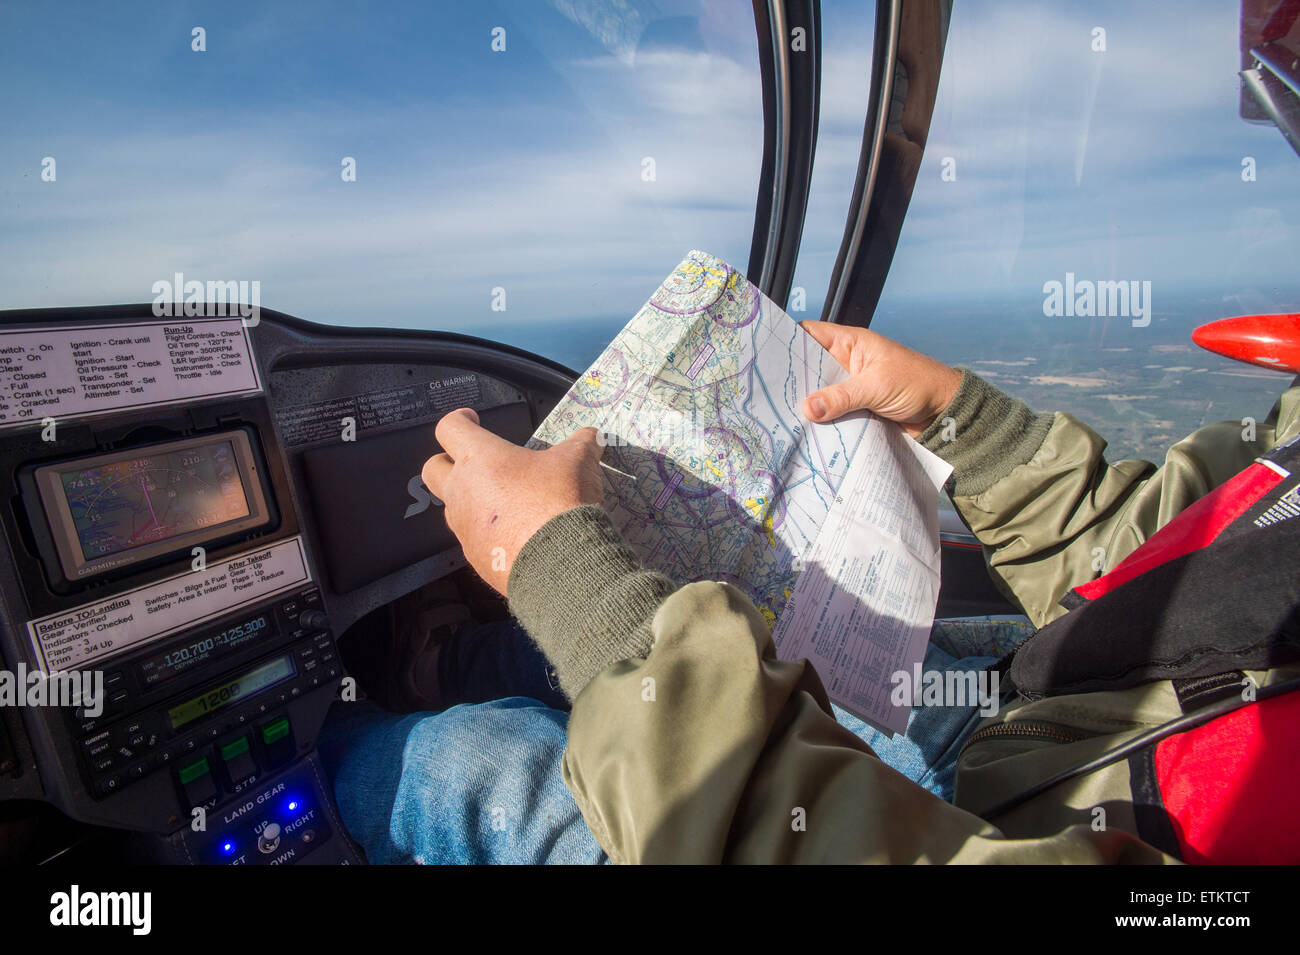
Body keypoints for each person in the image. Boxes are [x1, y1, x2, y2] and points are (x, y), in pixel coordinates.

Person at [318, 321, 1300, 864]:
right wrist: (966, 422)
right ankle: (437, 660)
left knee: (471, 764)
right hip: (1051, 723)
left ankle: (311, 753)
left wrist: (556, 562)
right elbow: (1170, 564)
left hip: (1003, 837)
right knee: (707, 623)